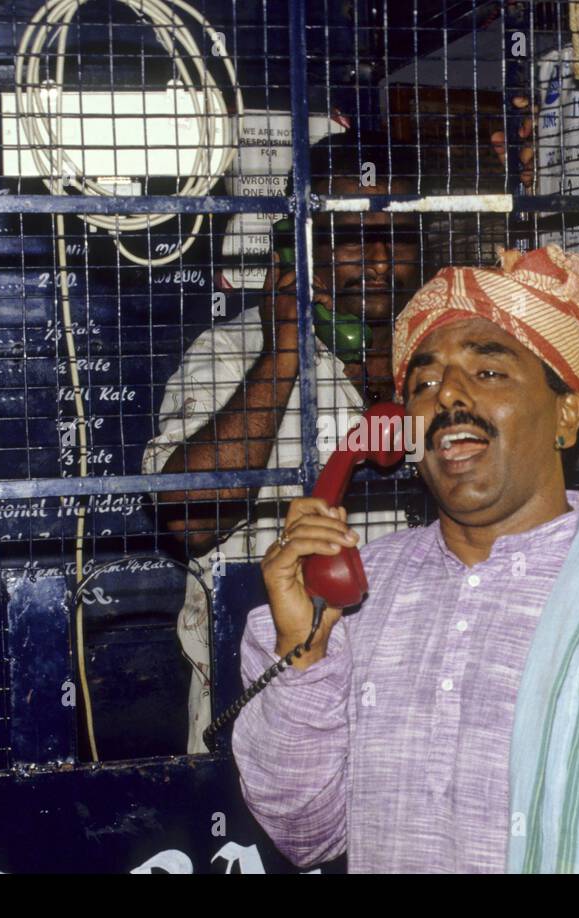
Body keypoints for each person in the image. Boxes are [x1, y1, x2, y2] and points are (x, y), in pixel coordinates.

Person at [230, 244, 579, 872]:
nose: (447, 397)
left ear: (567, 412)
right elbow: (306, 834)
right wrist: (303, 649)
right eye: (424, 381)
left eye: (489, 372)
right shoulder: (359, 597)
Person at [145, 132, 423, 753]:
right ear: (299, 247)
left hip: (410, 694)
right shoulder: (229, 353)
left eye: (396, 234)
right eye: (352, 235)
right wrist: (282, 353)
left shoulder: (441, 361)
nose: (379, 259)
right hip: (264, 690)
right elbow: (188, 522)